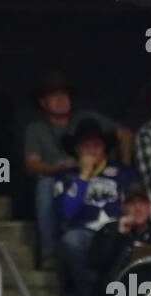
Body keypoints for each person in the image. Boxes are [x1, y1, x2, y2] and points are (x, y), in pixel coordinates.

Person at [23, 70, 127, 266]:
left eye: (64, 94)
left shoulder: (86, 118)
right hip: (59, 177)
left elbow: (125, 134)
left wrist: (124, 164)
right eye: (54, 96)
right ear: (43, 102)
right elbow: (32, 166)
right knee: (46, 185)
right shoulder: (36, 128)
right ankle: (50, 252)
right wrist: (62, 167)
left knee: (120, 180)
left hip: (97, 175)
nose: (61, 99)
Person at [52, 119, 139, 296]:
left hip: (118, 231)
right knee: (70, 240)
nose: (92, 151)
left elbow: (138, 203)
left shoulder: (123, 173)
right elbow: (66, 213)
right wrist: (83, 176)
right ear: (76, 149)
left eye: (97, 145)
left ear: (104, 148)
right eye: (86, 146)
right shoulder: (65, 177)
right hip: (85, 233)